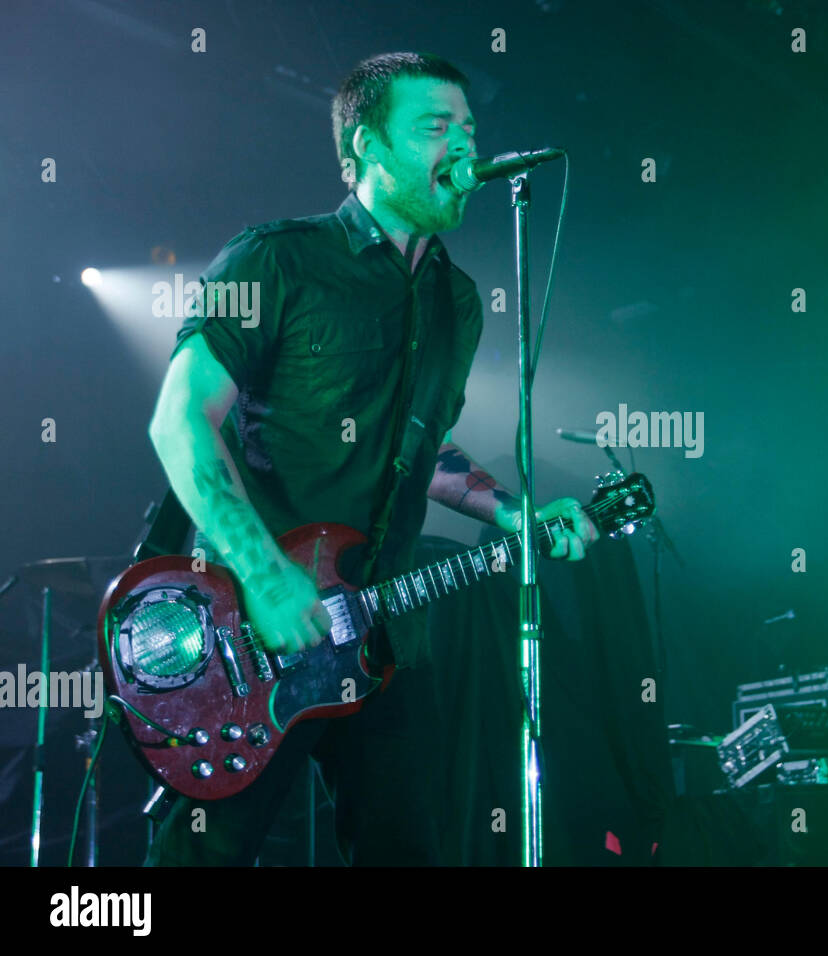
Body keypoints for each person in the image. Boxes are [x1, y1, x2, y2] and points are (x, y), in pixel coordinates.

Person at [143, 52, 598, 865]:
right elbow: (180, 420)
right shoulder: (275, 261)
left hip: (380, 640)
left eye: (469, 127)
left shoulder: (456, 301)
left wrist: (512, 510)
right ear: (364, 148)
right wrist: (264, 573)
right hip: (257, 635)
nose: (463, 146)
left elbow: (423, 448)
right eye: (434, 127)